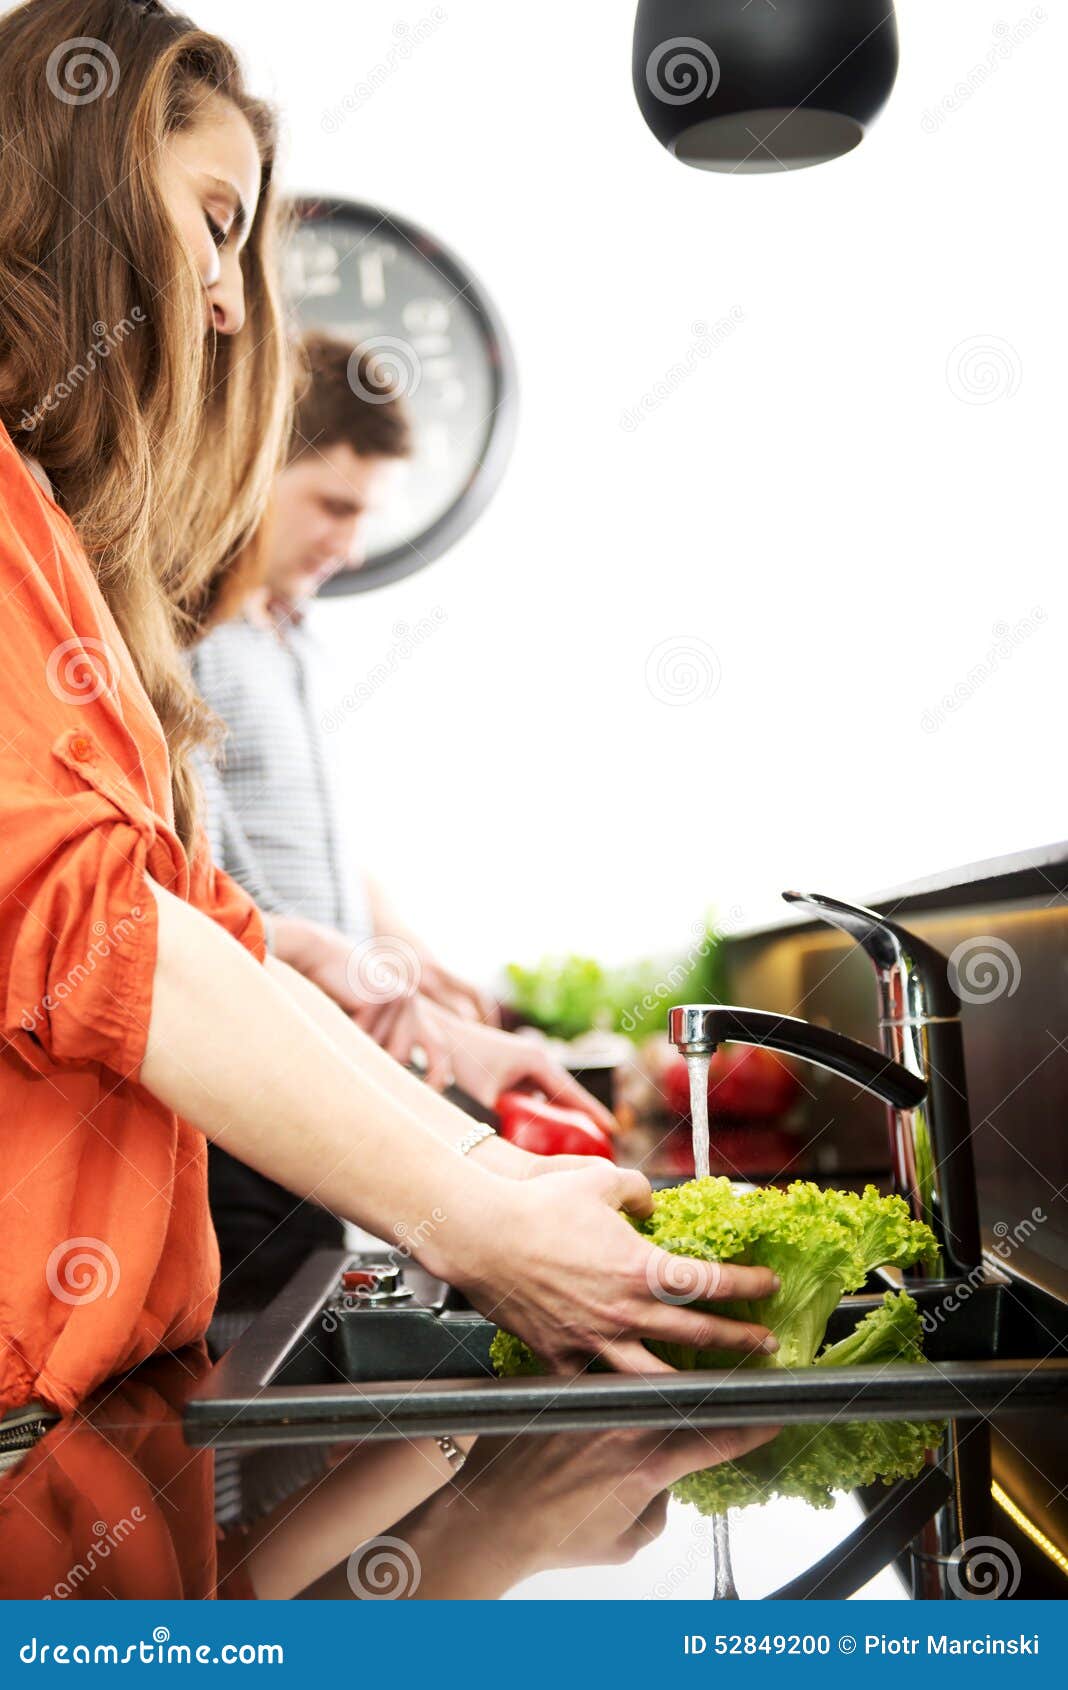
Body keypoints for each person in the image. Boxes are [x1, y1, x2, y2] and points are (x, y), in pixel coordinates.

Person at [0, 0, 779, 1423]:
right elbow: (100, 927)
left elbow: (160, 910)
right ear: (79, 195)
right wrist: (475, 1214)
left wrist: (472, 1166)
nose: (229, 302)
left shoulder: (48, 539)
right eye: (215, 221)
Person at [192, 331, 616, 1308]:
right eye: (333, 505)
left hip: (325, 1061)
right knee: (258, 1330)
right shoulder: (192, 633)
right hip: (247, 1076)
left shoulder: (284, 637)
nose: (349, 543)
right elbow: (209, 887)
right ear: (252, 462)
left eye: (366, 515)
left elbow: (324, 854)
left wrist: (406, 955)